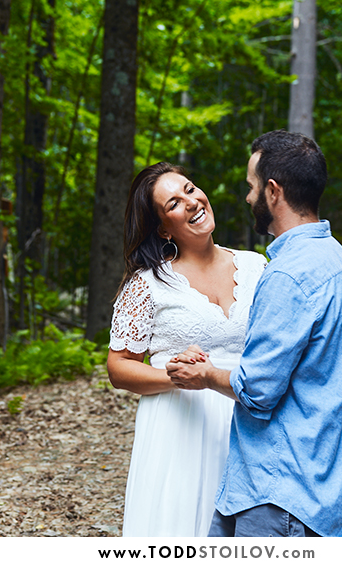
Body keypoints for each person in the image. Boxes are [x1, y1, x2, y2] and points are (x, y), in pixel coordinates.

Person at [166, 131, 342, 537]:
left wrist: (204, 375)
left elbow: (257, 390)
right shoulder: (336, 259)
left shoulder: (288, 275)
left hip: (279, 493)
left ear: (273, 192)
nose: (248, 197)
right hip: (314, 484)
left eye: (252, 187)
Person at [106, 161, 268, 537]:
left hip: (248, 419)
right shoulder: (147, 285)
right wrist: (175, 376)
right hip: (179, 427)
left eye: (191, 189)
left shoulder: (256, 265)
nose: (192, 202)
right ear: (163, 227)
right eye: (174, 203)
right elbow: (118, 368)